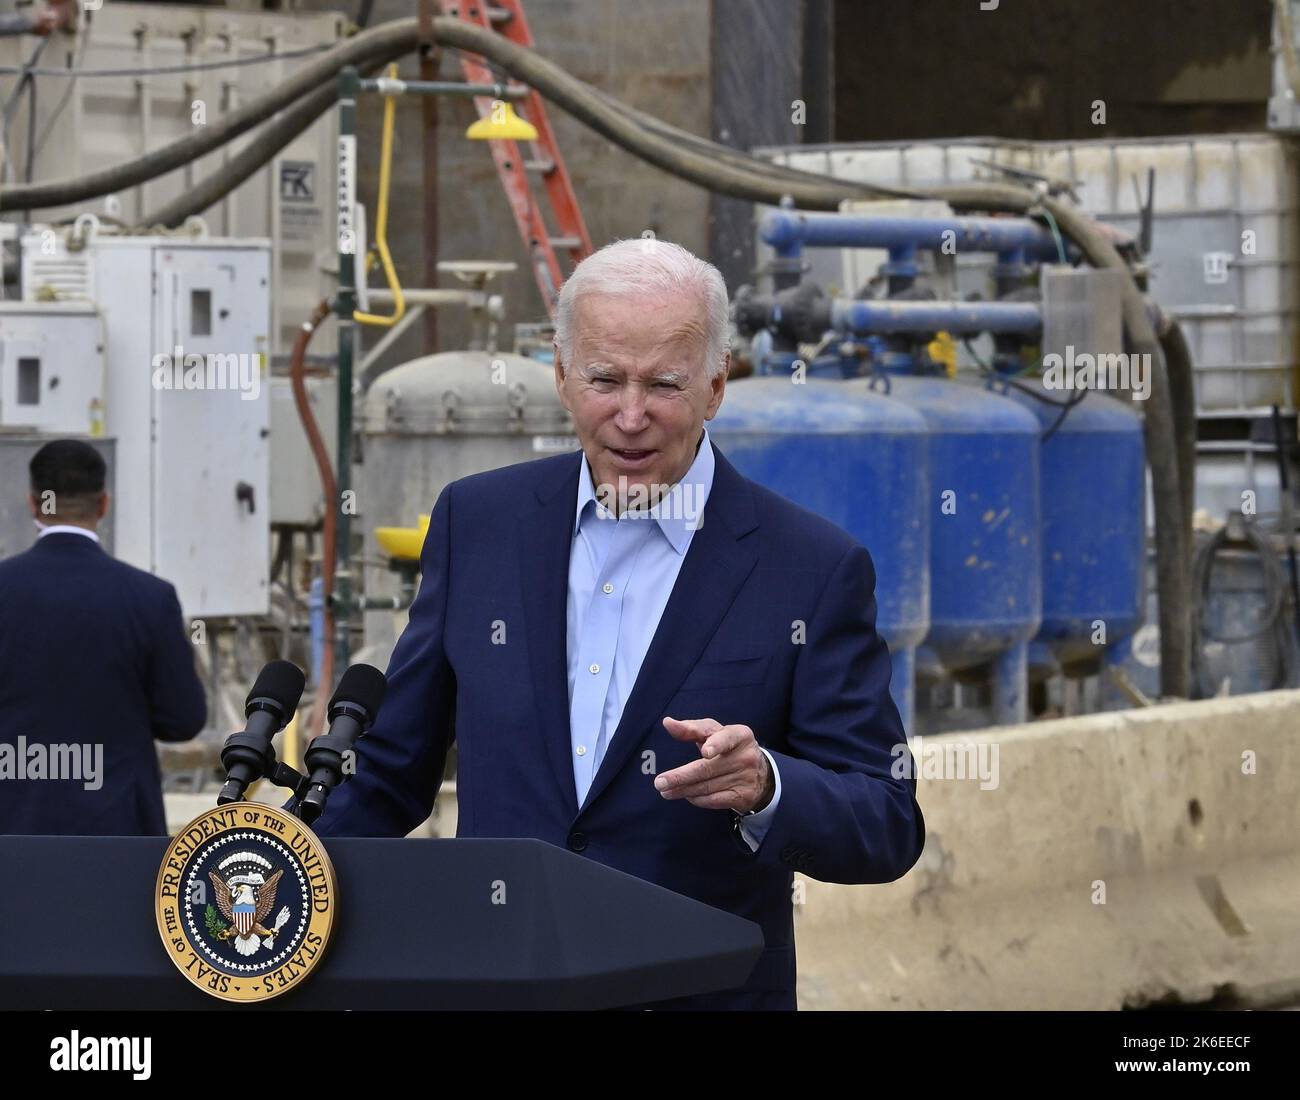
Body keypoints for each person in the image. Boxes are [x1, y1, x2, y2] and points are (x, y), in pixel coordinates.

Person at [313, 239, 925, 1009]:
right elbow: (393, 773)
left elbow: (888, 819)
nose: (630, 417)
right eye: (604, 380)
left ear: (716, 385)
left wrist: (767, 785)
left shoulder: (812, 568)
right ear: (563, 377)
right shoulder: (479, 523)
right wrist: (269, 876)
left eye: (664, 385)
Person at [0, 439, 207, 835]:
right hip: (116, 830)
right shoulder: (150, 597)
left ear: (33, 503)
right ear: (104, 504)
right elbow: (183, 719)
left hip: (11, 828)